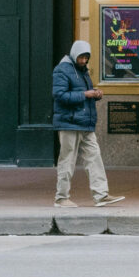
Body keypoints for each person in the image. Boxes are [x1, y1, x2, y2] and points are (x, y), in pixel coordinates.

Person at [53, 39, 123, 207]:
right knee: (67, 160)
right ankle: (61, 197)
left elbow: (79, 94)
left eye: (86, 57)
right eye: (81, 57)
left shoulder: (83, 71)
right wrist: (86, 94)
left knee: (94, 157)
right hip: (69, 123)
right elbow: (59, 95)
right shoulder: (62, 70)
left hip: (84, 122)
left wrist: (95, 94)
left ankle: (101, 194)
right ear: (74, 54)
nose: (83, 60)